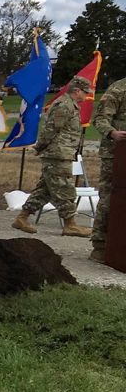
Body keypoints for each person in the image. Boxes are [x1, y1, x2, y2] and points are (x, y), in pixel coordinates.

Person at [13, 75, 92, 238]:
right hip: (58, 154)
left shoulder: (70, 105)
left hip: (62, 153)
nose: (87, 96)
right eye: (85, 92)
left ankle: (22, 218)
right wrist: (40, 146)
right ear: (77, 91)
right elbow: (51, 129)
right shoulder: (64, 105)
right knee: (64, 188)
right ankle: (70, 225)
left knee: (45, 190)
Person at [91, 76, 126, 262]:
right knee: (109, 199)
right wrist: (112, 133)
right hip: (116, 155)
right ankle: (100, 245)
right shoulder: (119, 89)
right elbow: (100, 119)